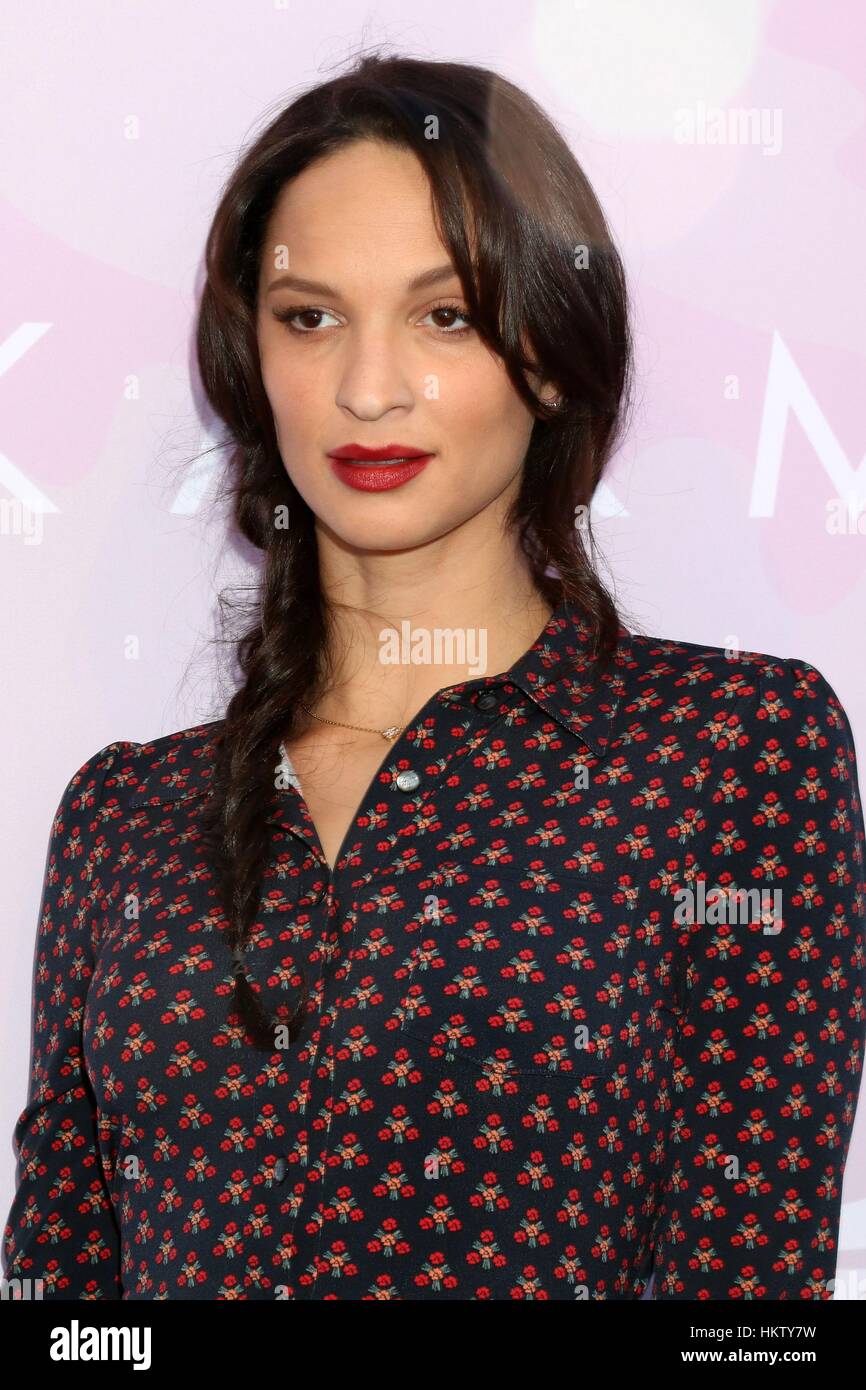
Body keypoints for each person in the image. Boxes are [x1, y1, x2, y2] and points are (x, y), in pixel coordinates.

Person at [4, 51, 864, 1302]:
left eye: (443, 314)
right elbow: (66, 1311)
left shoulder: (728, 751)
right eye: (310, 317)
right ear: (251, 358)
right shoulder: (122, 819)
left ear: (553, 351)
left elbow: (741, 1305)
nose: (366, 388)